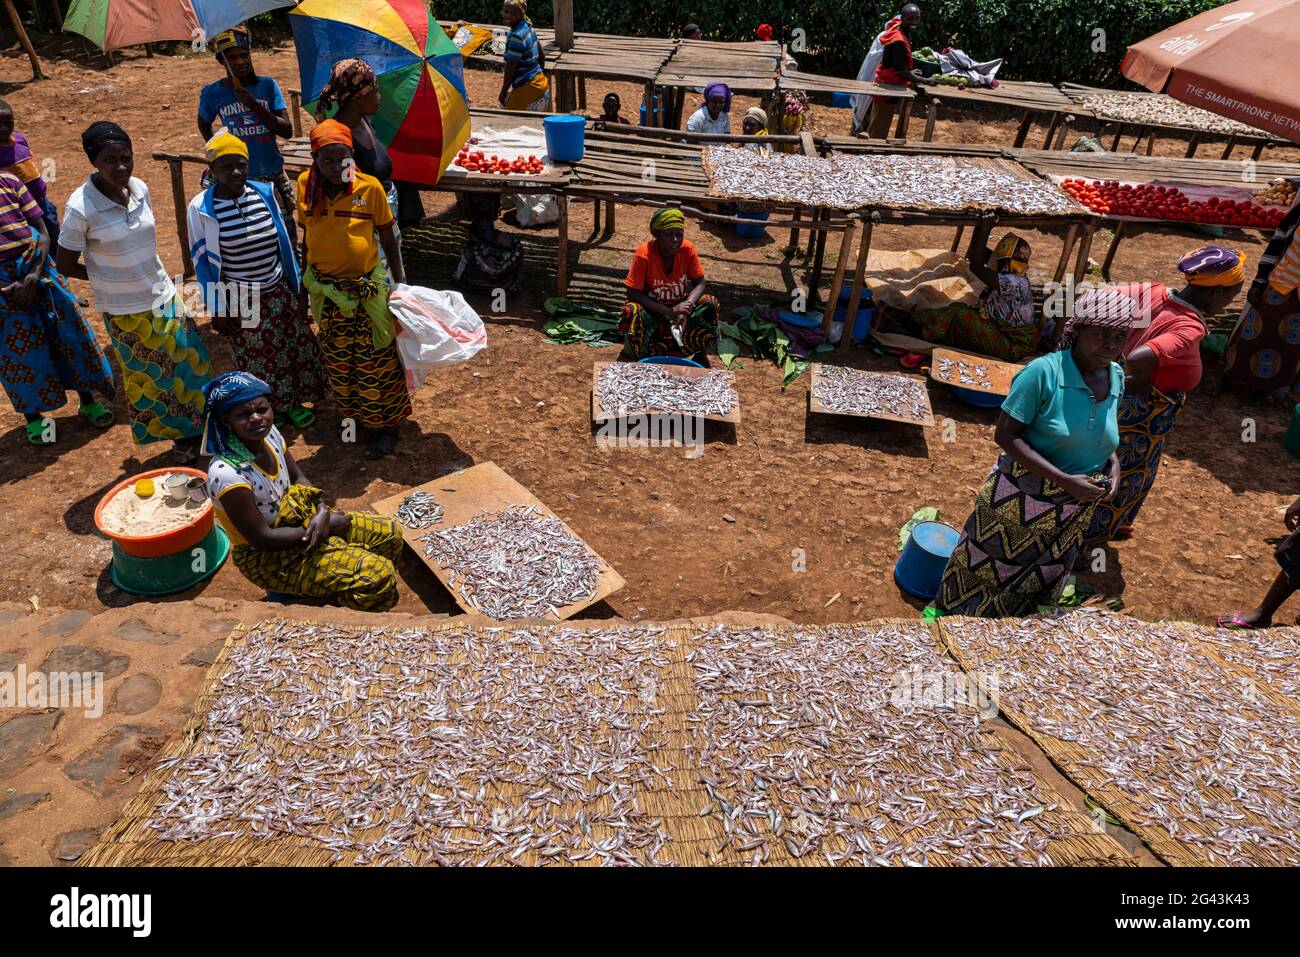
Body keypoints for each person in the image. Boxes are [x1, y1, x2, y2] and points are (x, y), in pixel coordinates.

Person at [935, 288, 1137, 618]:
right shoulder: (1043, 373)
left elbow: (1102, 431)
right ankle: (958, 625)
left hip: (1073, 507)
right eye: (1101, 333)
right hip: (1018, 502)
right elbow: (1006, 436)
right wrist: (1063, 480)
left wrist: (1112, 465)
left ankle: (1011, 634)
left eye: (1120, 335)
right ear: (1078, 330)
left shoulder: (1115, 376)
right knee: (989, 570)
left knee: (1039, 574)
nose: (1112, 344)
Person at [56, 122, 212, 463]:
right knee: (154, 379)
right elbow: (64, 262)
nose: (121, 166)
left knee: (189, 364)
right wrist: (108, 277)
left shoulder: (139, 188)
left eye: (126, 157)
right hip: (125, 310)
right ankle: (183, 441)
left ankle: (204, 429)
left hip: (163, 294)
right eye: (110, 160)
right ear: (93, 161)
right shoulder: (80, 208)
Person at [202, 371, 404, 612]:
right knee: (376, 575)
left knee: (389, 532)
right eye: (244, 414)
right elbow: (262, 538)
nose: (257, 418)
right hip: (266, 555)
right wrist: (322, 527)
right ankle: (345, 617)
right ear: (226, 421)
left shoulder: (270, 434)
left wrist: (322, 511)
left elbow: (299, 478)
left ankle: (339, 580)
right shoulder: (228, 474)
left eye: (262, 409)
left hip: (303, 521)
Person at [1086, 247, 1245, 546]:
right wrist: (1141, 383)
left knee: (1120, 465)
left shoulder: (1152, 292)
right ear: (1215, 293)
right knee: (1117, 471)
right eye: (1231, 295)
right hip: (1138, 411)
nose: (1230, 303)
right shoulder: (1188, 326)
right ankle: (1086, 540)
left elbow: (1096, 300)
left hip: (1110, 393)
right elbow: (1139, 358)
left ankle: (1113, 523)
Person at [187, 131, 327, 430]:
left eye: (241, 164)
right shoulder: (201, 209)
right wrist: (218, 309)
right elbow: (203, 263)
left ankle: (296, 401)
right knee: (259, 357)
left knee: (294, 347)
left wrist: (297, 285)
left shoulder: (264, 192)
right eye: (226, 167)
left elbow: (284, 244)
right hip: (240, 295)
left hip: (277, 287)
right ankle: (273, 406)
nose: (236, 172)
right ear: (212, 171)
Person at [297, 119, 409, 460]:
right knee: (340, 360)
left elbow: (389, 239)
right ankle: (356, 420)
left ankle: (387, 427)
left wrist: (401, 286)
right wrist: (305, 288)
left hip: (367, 292)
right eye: (326, 160)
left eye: (342, 158)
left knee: (378, 361)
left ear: (352, 156)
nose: (335, 167)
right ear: (314, 159)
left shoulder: (370, 188)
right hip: (327, 294)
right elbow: (307, 240)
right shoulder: (305, 186)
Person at [0, 168, 115, 445]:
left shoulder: (10, 181)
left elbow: (42, 231)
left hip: (38, 270)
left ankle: (88, 401)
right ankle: (35, 418)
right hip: (4, 289)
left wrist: (34, 276)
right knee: (19, 354)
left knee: (68, 336)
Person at [315, 58, 414, 273]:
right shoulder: (341, 143)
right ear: (358, 97)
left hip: (384, 223)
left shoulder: (366, 121)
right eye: (374, 91)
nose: (379, 97)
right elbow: (345, 194)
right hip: (366, 230)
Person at [196, 26, 296, 231]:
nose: (240, 61)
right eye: (232, 57)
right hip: (239, 179)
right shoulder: (212, 93)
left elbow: (286, 131)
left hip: (271, 173)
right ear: (222, 61)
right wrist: (216, 151)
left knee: (284, 230)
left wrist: (254, 105)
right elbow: (204, 122)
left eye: (244, 55)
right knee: (248, 230)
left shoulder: (267, 86)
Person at [915, 218, 1040, 361]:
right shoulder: (1012, 271)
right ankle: (922, 325)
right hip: (1004, 334)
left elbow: (976, 266)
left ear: (1005, 259)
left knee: (961, 314)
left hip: (1013, 346)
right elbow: (975, 253)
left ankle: (918, 328)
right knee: (958, 311)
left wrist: (986, 228)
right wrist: (980, 227)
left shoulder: (1013, 282)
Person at [1221, 183, 1300, 401]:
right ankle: (1234, 377)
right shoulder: (1297, 215)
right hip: (1280, 284)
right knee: (1254, 332)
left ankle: (1267, 389)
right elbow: (1276, 244)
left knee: (1289, 344)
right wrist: (1259, 282)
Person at [619, 208, 720, 362]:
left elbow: (700, 283)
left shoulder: (687, 249)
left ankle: (700, 353)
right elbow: (633, 293)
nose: (675, 240)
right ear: (657, 235)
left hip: (680, 310)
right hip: (653, 311)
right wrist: (670, 311)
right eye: (669, 234)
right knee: (631, 311)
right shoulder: (644, 254)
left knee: (710, 304)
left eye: (679, 234)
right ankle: (637, 354)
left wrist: (686, 308)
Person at [866, 3, 934, 140]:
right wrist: (925, 80)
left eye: (917, 18)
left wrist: (911, 72)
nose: (914, 22)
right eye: (910, 18)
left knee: (878, 121)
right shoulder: (898, 41)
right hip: (888, 86)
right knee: (879, 128)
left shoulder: (899, 28)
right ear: (902, 18)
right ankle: (871, 152)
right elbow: (901, 72)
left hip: (888, 82)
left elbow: (900, 67)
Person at [0, 99, 60, 247]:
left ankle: (59, 266)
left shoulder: (20, 139)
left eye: (9, 122)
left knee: (54, 233)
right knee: (34, 241)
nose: (3, 128)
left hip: (41, 201)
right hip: (20, 208)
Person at [500, 1, 549, 112]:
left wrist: (503, 92)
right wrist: (537, 74)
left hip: (531, 90)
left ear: (522, 14)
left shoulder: (516, 37)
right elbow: (542, 56)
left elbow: (510, 70)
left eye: (513, 13)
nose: (508, 16)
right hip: (542, 86)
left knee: (508, 119)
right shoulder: (529, 28)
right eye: (506, 12)